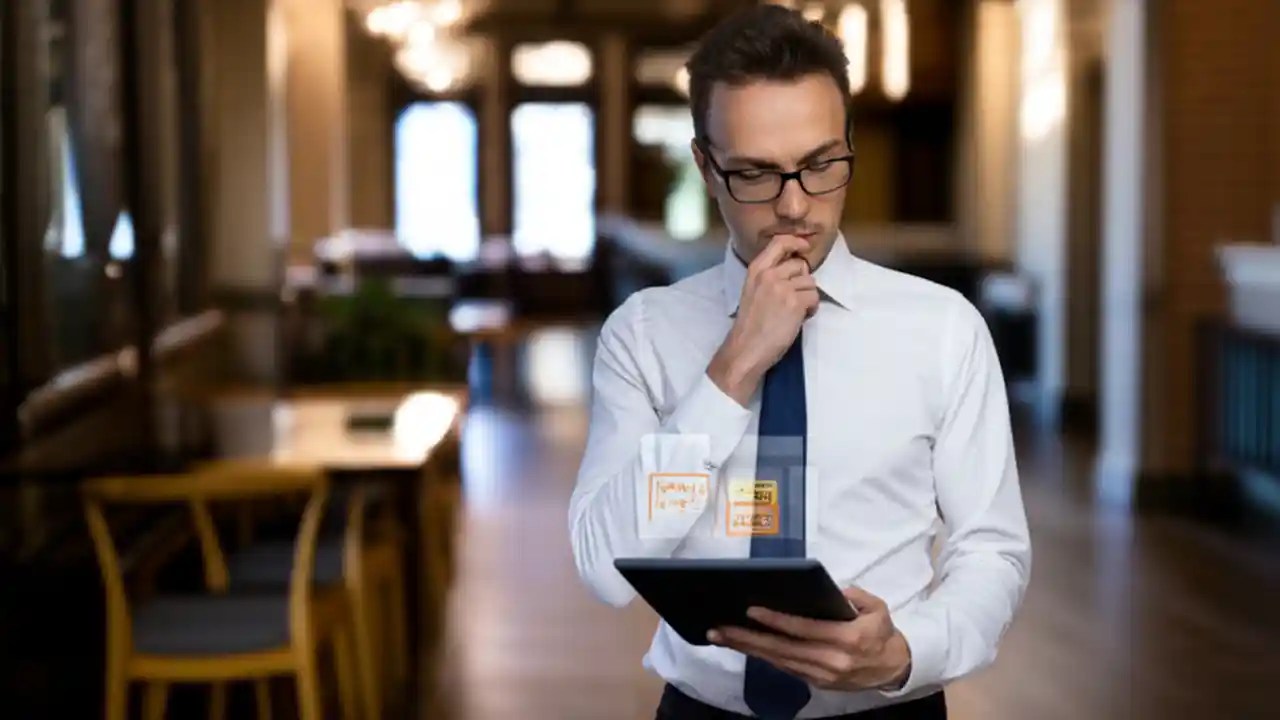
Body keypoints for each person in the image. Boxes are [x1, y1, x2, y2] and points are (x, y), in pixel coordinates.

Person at [568, 5, 1031, 719]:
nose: (794, 206)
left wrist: (908, 649)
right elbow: (605, 569)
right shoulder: (644, 336)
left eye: (820, 165)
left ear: (848, 145)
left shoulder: (942, 330)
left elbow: (992, 549)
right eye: (754, 173)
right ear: (706, 166)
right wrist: (731, 372)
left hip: (889, 708)